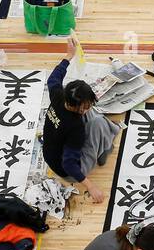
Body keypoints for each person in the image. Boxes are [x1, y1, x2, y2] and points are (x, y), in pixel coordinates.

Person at [41, 71, 121, 204]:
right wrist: (91, 187)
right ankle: (105, 149)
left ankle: (112, 130)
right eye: (84, 106)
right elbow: (69, 164)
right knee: (98, 123)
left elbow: (53, 79)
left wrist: (68, 57)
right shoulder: (75, 128)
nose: (87, 107)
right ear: (74, 105)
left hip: (51, 156)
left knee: (92, 113)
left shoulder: (58, 96)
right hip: (70, 172)